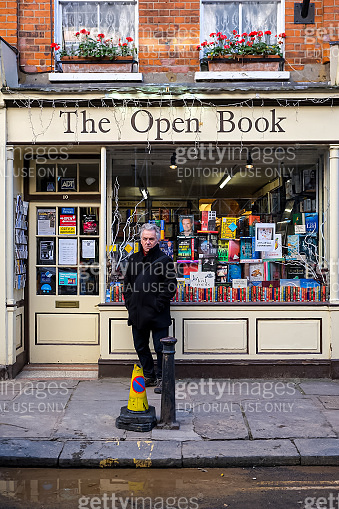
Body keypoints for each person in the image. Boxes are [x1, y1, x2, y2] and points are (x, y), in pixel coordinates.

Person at [123, 223, 177, 394]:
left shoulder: (164, 260)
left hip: (157, 314)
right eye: (145, 239)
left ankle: (162, 378)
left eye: (151, 239)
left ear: (157, 240)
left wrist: (157, 304)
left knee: (160, 348)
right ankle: (149, 375)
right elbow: (127, 286)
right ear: (140, 239)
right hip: (138, 313)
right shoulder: (133, 259)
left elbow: (170, 286)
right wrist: (130, 305)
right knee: (140, 346)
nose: (147, 242)